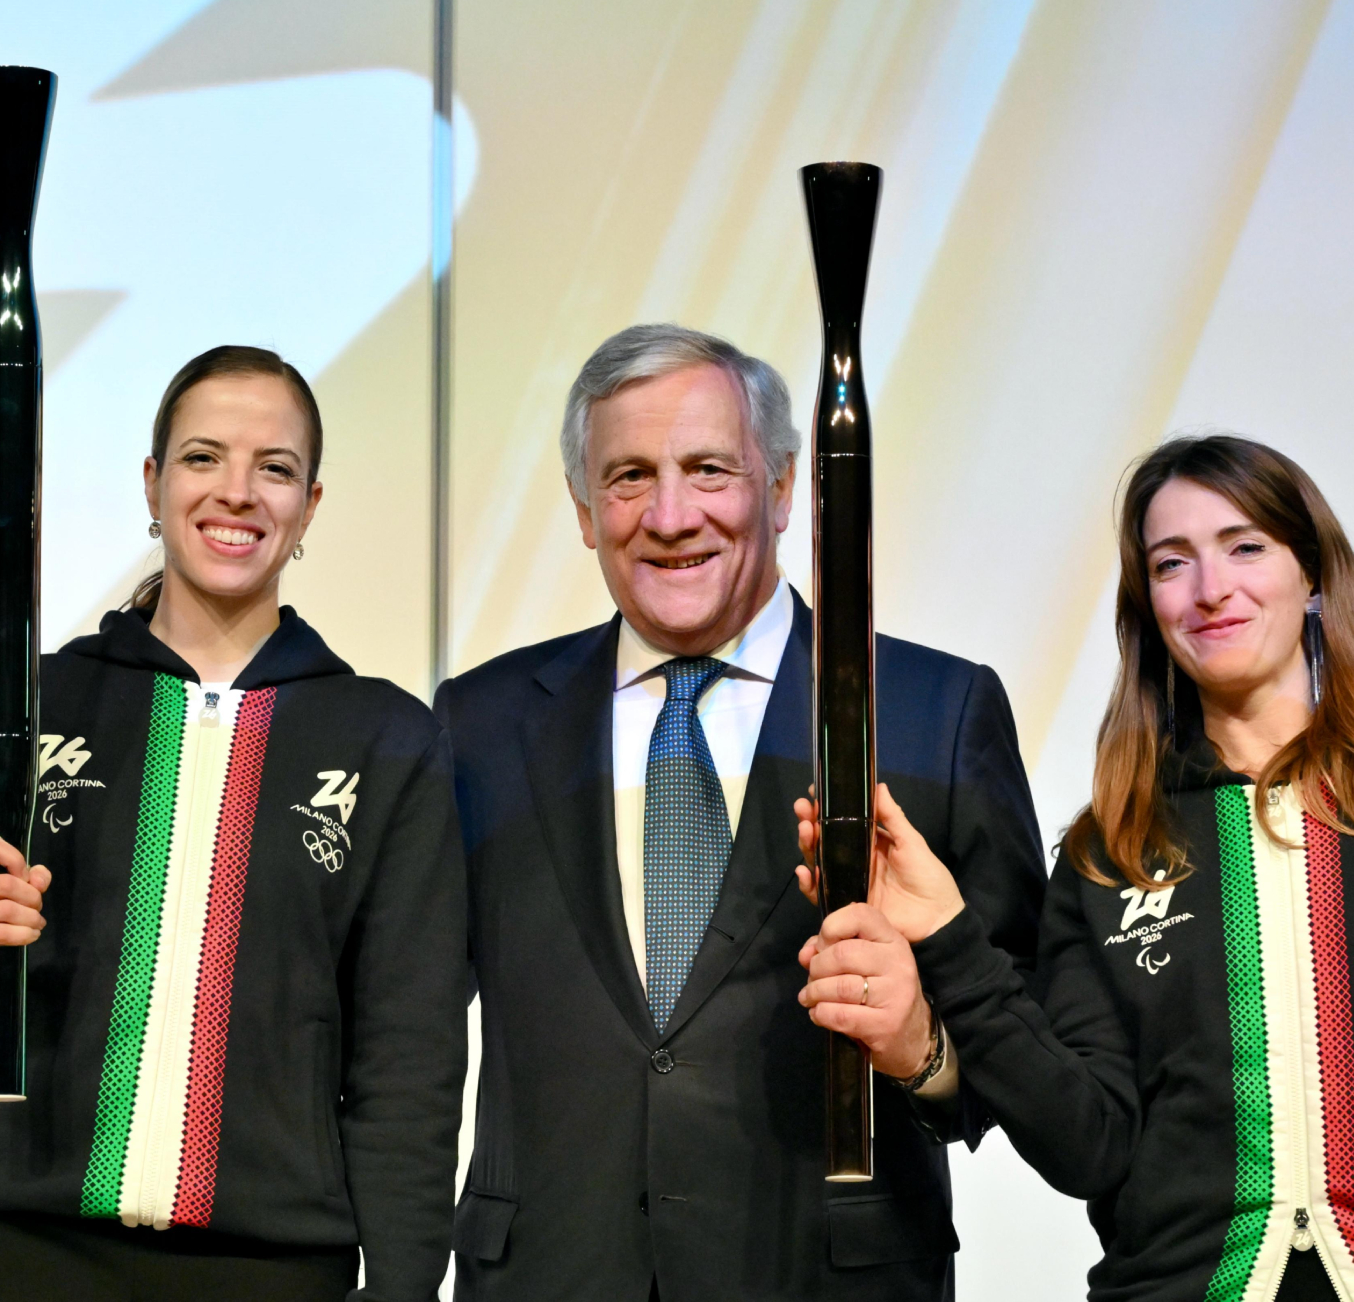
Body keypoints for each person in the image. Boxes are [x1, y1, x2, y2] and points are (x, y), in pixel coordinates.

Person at [799, 433, 1354, 1302]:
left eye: (1245, 546)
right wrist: (950, 935)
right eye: (1172, 563)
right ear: (1149, 607)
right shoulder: (1112, 854)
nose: (1212, 589)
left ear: (1314, 574)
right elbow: (1087, 1148)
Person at [432, 324, 1061, 1301]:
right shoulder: (478, 725)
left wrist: (926, 1053)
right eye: (630, 476)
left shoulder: (933, 712)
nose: (670, 514)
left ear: (779, 490)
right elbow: (403, 1025)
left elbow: (1034, 1045)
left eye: (708, 470)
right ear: (585, 509)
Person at [0, 345, 467, 1302]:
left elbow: (406, 1072)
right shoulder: (29, 703)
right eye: (204, 458)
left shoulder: (384, 739)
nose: (237, 492)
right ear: (155, 485)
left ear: (310, 508)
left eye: (274, 468)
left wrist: (405, 1286)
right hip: (14, 1245)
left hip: (268, 1266)